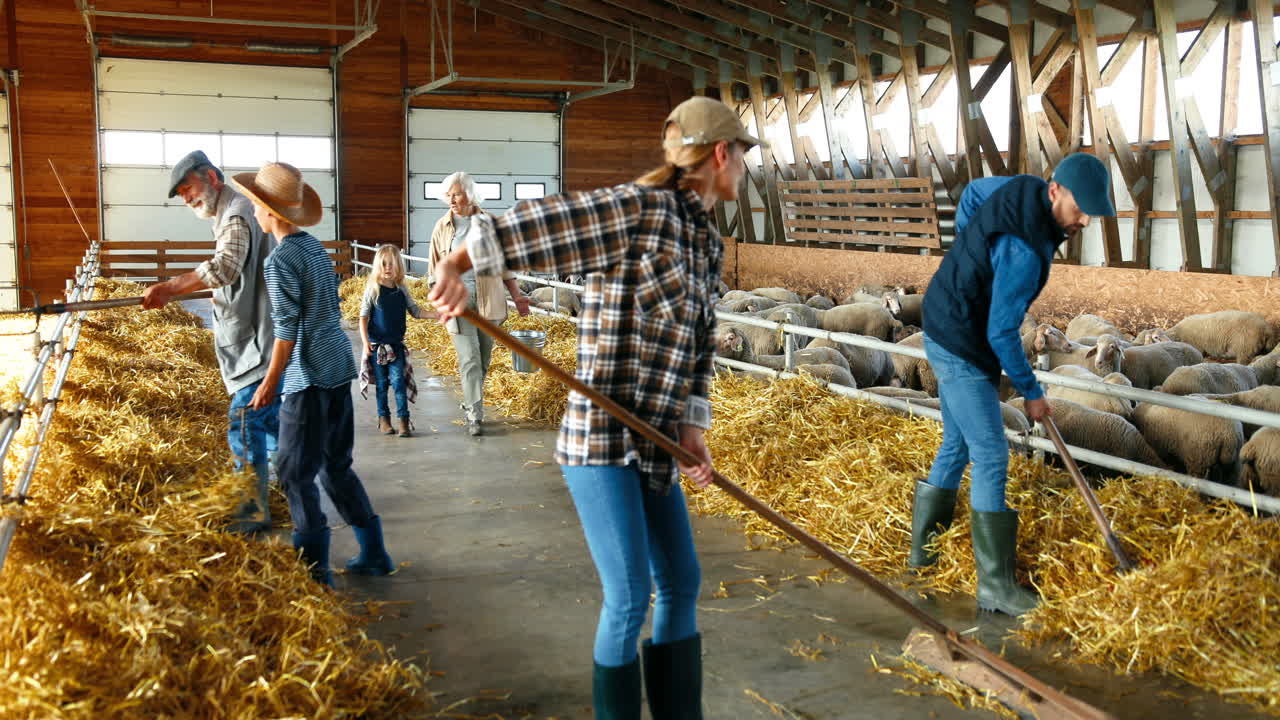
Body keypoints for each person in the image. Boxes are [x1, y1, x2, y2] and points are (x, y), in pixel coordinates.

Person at [429, 96, 758, 720]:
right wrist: (454, 261)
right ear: (722, 154)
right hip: (603, 437)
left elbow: (696, 346)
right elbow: (545, 222)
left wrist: (693, 428)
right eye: (742, 155)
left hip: (657, 438)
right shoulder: (640, 210)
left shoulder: (705, 243)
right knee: (630, 593)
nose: (743, 167)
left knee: (681, 581)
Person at [913, 153, 1116, 617]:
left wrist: (970, 255)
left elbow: (973, 194)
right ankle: (995, 587)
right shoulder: (1025, 252)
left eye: (1091, 212)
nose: (1085, 220)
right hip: (961, 340)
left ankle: (924, 555)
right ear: (1055, 191)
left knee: (957, 444)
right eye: (1079, 208)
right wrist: (1032, 392)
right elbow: (1002, 332)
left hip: (949, 318)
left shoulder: (1020, 187)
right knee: (991, 454)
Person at [238, 161, 393, 586]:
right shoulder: (313, 248)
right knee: (335, 466)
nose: (253, 211)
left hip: (306, 374)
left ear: (272, 212)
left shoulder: (280, 259)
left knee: (294, 472)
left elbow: (287, 329)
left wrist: (270, 382)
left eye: (256, 205)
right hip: (337, 362)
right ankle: (375, 553)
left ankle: (315, 572)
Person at [142, 150, 278, 534]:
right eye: (182, 194)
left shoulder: (237, 212)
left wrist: (171, 287)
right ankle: (291, 489)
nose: (187, 198)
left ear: (212, 178)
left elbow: (225, 267)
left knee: (245, 425)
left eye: (189, 188)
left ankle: (252, 513)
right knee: (272, 424)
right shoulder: (230, 212)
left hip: (257, 341)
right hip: (256, 335)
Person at [427, 171, 531, 436]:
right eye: (448, 195)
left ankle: (471, 399)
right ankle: (475, 414)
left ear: (470, 195)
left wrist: (517, 296)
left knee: (483, 359)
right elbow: (434, 268)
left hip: (490, 300)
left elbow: (505, 266)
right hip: (458, 302)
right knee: (469, 358)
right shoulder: (442, 227)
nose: (451, 200)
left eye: (457, 194)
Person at [359, 244, 427, 438]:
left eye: (392, 264)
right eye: (384, 264)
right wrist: (365, 342)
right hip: (377, 346)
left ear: (399, 265)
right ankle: (384, 419)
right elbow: (363, 317)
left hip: (396, 345)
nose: (388, 268)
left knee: (398, 382)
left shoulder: (401, 289)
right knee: (381, 384)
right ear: (378, 266)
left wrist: (437, 314)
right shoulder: (373, 289)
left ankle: (403, 420)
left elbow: (415, 311)